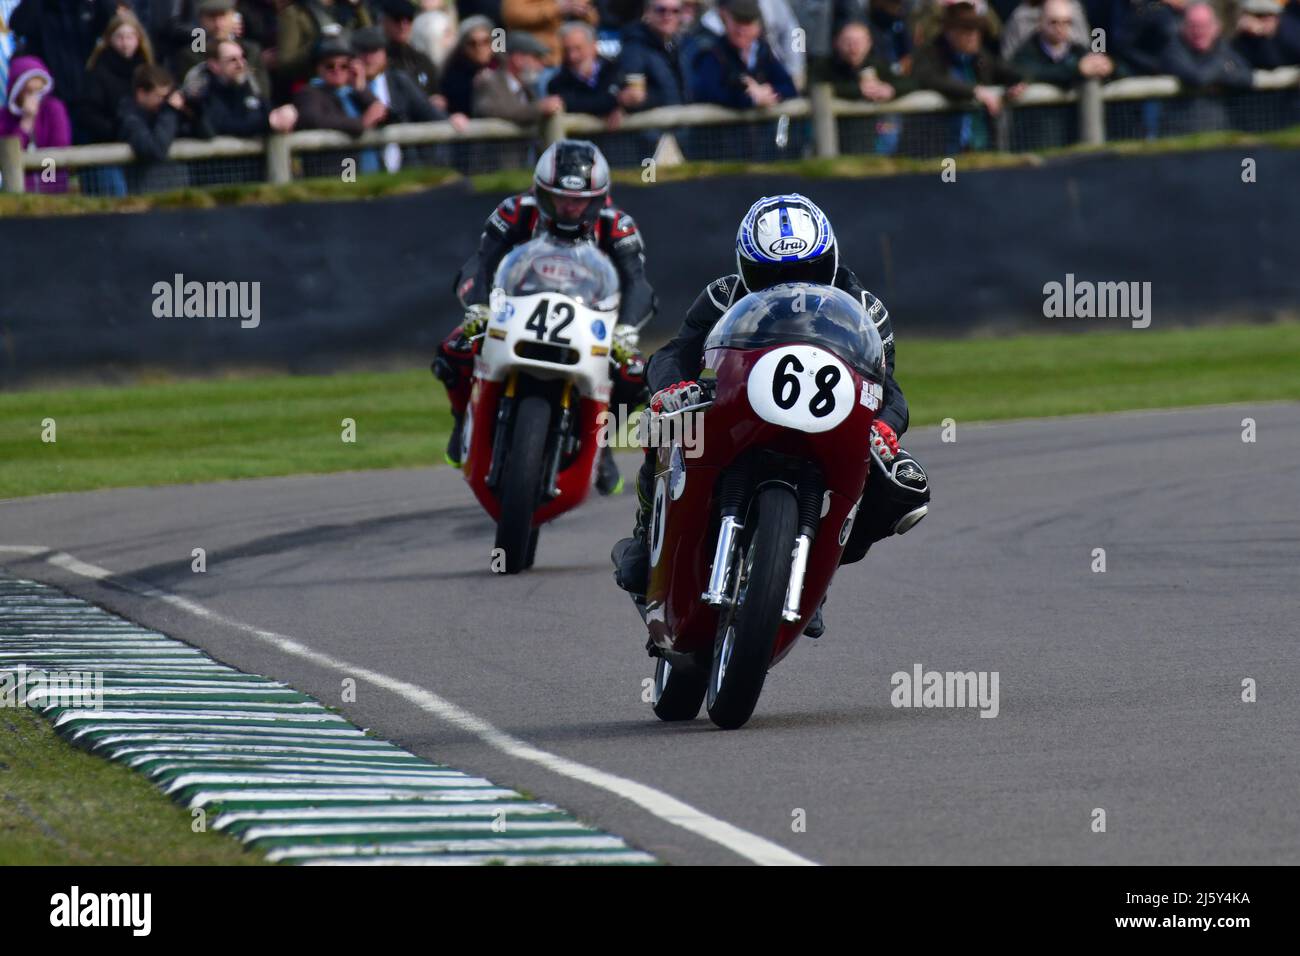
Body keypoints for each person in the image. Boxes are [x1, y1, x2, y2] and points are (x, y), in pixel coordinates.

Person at [612, 194, 930, 640]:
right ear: (746, 267)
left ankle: (818, 577)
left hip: (829, 420)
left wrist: (884, 427)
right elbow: (673, 354)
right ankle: (647, 537)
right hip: (739, 405)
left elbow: (889, 390)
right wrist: (670, 389)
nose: (791, 287)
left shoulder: (865, 310)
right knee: (663, 422)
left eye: (807, 271)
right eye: (771, 275)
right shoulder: (724, 294)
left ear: (830, 261)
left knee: (905, 486)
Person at [433, 139, 653, 497]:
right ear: (541, 192)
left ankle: (602, 441)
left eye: (580, 201)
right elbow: (482, 262)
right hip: (516, 310)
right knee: (453, 349)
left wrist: (625, 331)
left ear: (598, 198)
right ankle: (461, 421)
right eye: (559, 198)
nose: (569, 209)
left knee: (636, 375)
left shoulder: (618, 226)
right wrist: (478, 305)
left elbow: (639, 285)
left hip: (588, 322)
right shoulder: (514, 211)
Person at [913, 0, 1024, 151]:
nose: (973, 36)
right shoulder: (932, 53)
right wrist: (974, 91)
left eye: (977, 30)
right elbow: (931, 78)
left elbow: (1015, 71)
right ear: (950, 31)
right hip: (944, 151)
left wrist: (1016, 84)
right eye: (967, 30)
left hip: (982, 147)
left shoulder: (981, 58)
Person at [690, 0, 798, 108]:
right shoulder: (713, 52)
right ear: (725, 20)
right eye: (737, 21)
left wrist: (768, 92)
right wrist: (750, 97)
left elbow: (789, 88)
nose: (742, 29)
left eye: (748, 22)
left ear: (758, 26)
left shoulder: (763, 52)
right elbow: (706, 92)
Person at [190, 37, 298, 135]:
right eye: (233, 60)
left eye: (242, 57)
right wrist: (268, 123)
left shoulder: (248, 85)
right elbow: (225, 125)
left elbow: (266, 110)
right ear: (214, 65)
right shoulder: (204, 92)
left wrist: (282, 115)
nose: (241, 64)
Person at [0, 52, 70, 191]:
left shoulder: (53, 109)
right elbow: (8, 152)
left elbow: (58, 147)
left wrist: (47, 186)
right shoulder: (5, 117)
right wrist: (26, 122)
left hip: (52, 187)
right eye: (28, 91)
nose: (34, 98)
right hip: (16, 188)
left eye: (38, 91)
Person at [1012, 0, 1117, 86]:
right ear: (1040, 22)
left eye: (1066, 22)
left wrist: (1108, 67)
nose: (1060, 28)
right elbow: (1030, 73)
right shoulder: (1026, 52)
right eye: (1054, 22)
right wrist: (1077, 70)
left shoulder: (1079, 51)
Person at [547, 20, 631, 126]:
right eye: (567, 50)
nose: (572, 56)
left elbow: (640, 97)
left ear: (593, 46)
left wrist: (623, 107)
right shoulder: (556, 83)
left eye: (578, 48)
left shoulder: (616, 70)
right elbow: (572, 104)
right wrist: (616, 103)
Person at [440, 15, 496, 117]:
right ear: (463, 47)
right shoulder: (452, 75)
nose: (480, 48)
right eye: (472, 43)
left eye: (485, 41)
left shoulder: (502, 67)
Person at [1231, 0, 1287, 68]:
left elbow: (1274, 62)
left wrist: (1267, 36)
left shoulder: (1287, 30)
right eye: (1259, 15)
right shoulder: (1240, 38)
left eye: (1270, 15)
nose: (1266, 20)